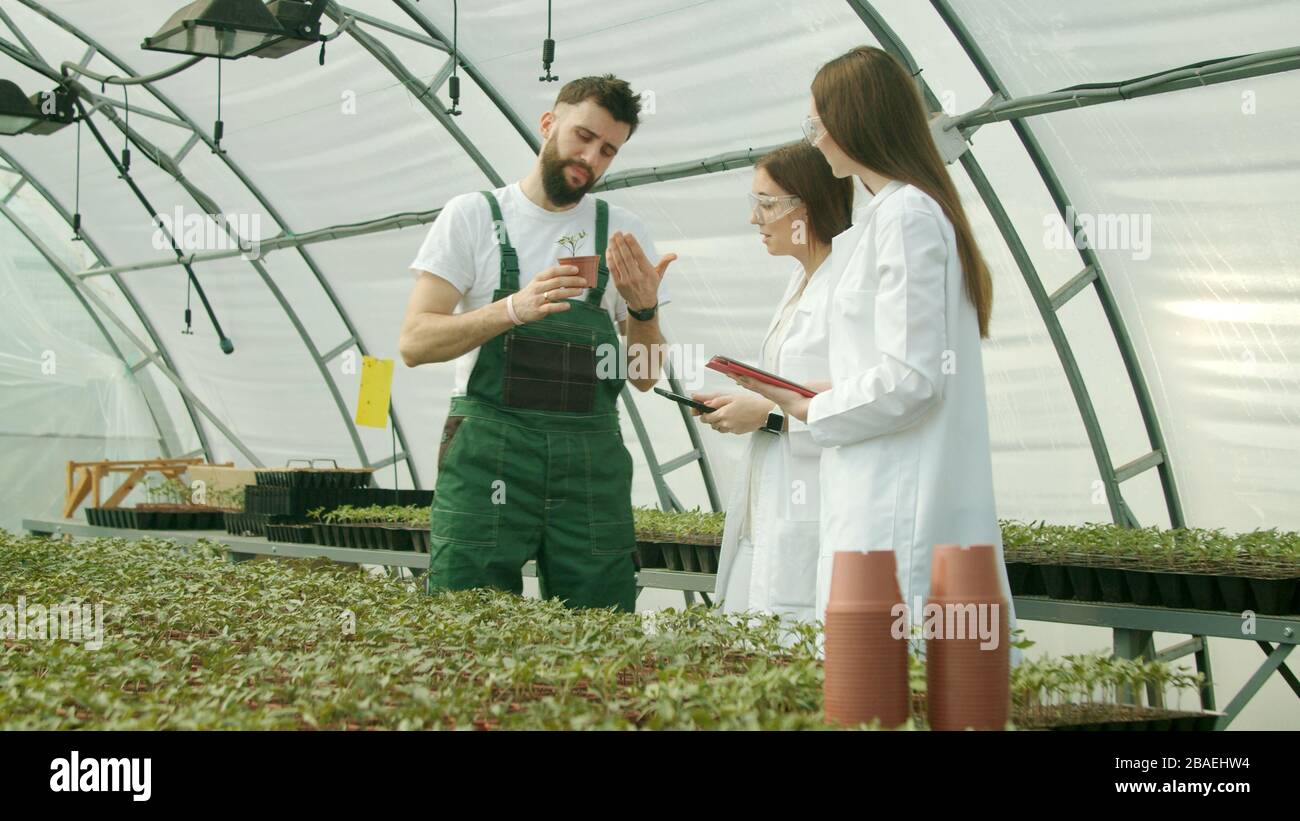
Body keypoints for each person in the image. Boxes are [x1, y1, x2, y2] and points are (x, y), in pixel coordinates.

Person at [734, 46, 1015, 631]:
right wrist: (824, 393)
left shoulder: (908, 216)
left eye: (816, 123)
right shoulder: (888, 218)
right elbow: (893, 366)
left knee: (886, 687)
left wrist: (811, 405)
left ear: (854, 119)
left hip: (895, 507)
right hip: (872, 494)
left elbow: (913, 379)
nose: (813, 139)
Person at [399, 74, 674, 613]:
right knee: (465, 620)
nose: (590, 157)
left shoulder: (621, 233)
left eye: (608, 150)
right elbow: (414, 342)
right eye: (583, 136)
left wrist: (644, 310)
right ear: (549, 124)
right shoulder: (474, 217)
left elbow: (644, 374)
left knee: (602, 628)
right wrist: (510, 310)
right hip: (490, 453)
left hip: (589, 462)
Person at [694, 143, 852, 633]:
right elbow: (791, 390)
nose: (754, 218)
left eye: (766, 204)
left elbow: (861, 399)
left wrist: (766, 414)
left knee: (799, 646)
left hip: (816, 501)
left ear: (805, 206)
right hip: (772, 502)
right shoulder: (800, 282)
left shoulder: (846, 286)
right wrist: (754, 405)